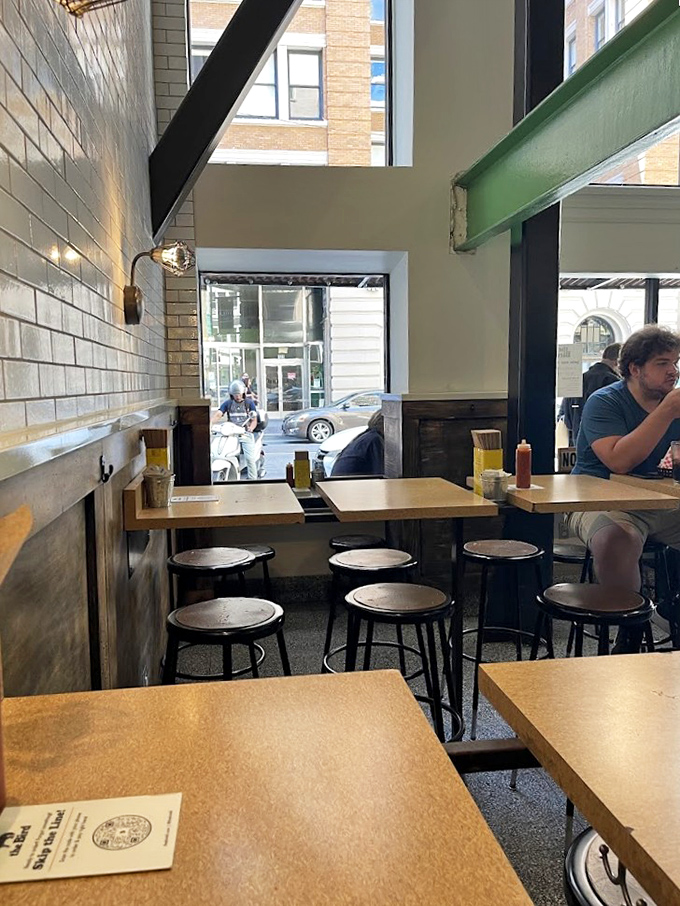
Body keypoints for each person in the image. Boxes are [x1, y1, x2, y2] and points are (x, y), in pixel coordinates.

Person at [569, 326, 680, 650]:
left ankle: (670, 610)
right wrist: (667, 412)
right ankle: (630, 631)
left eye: (675, 362)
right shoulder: (605, 402)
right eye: (662, 363)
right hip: (598, 500)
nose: (673, 371)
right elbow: (619, 461)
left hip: (661, 501)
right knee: (617, 538)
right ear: (635, 368)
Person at [559, 343, 621, 444]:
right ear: (618, 362)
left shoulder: (577, 380)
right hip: (604, 444)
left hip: (578, 443)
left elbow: (566, 417)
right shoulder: (614, 384)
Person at [211, 380, 259, 479]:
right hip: (230, 433)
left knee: (249, 458)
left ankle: (253, 479)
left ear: (243, 393)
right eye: (235, 394)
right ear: (231, 394)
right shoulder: (228, 403)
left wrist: (250, 428)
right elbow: (218, 414)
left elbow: (254, 419)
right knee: (217, 453)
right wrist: (210, 424)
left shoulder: (249, 403)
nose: (237, 396)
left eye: (239, 394)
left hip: (244, 432)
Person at [331, 411, 384, 477]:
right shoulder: (374, 440)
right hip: (349, 482)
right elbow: (380, 474)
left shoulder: (367, 437)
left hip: (343, 481)